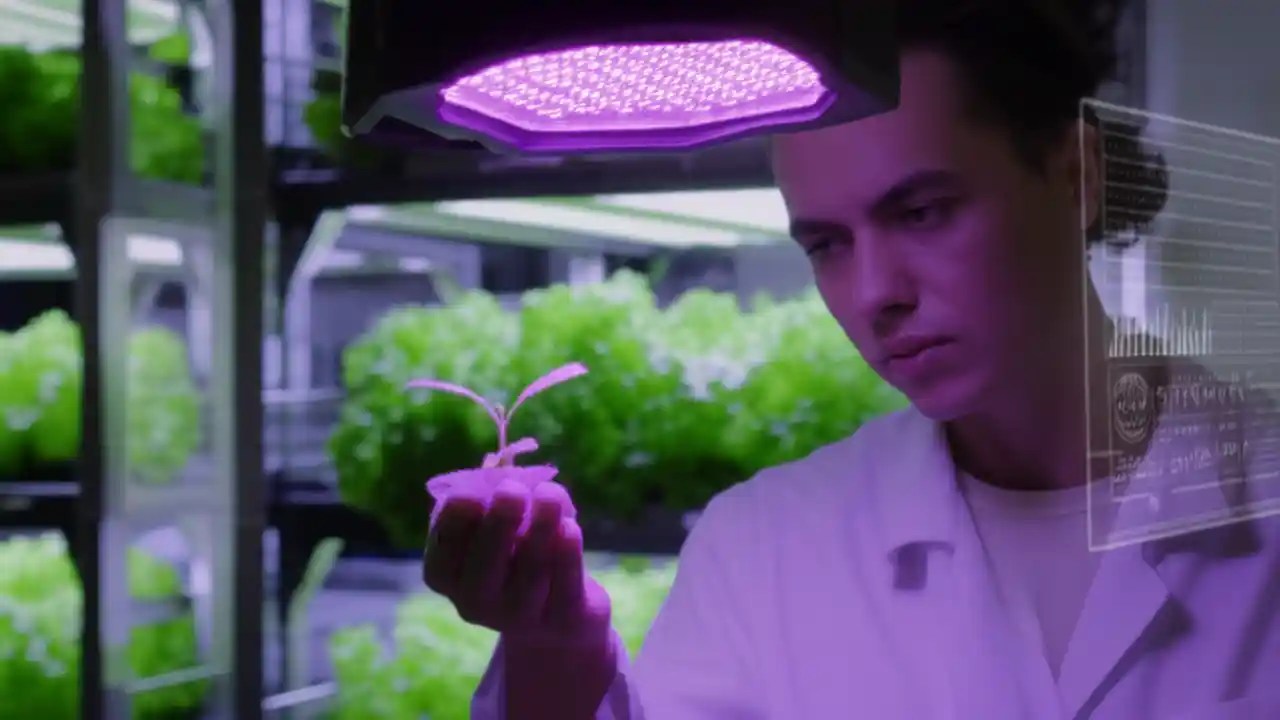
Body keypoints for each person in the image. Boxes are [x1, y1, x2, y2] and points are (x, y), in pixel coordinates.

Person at [423, 1, 1280, 718]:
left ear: (1077, 175)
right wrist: (556, 645)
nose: (875, 293)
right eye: (827, 243)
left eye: (923, 212)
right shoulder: (763, 547)